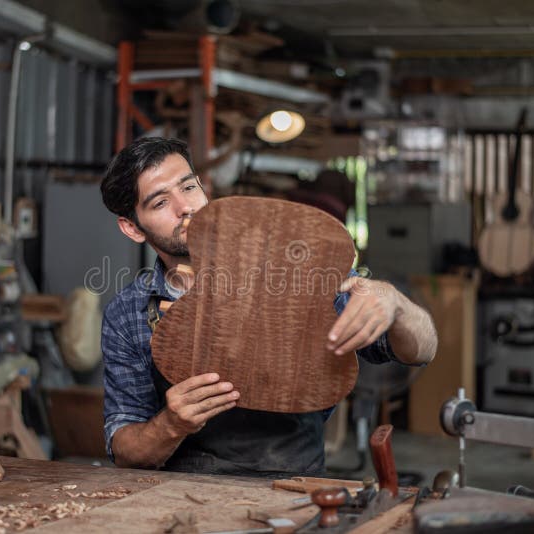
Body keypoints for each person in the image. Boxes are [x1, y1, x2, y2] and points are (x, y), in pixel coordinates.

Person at [99, 137, 437, 476]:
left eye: (188, 187)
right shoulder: (129, 313)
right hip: (185, 494)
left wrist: (396, 305)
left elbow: (422, 351)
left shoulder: (300, 273)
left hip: (296, 491)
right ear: (132, 227)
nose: (184, 206)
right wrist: (170, 425)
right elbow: (124, 448)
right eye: (160, 203)